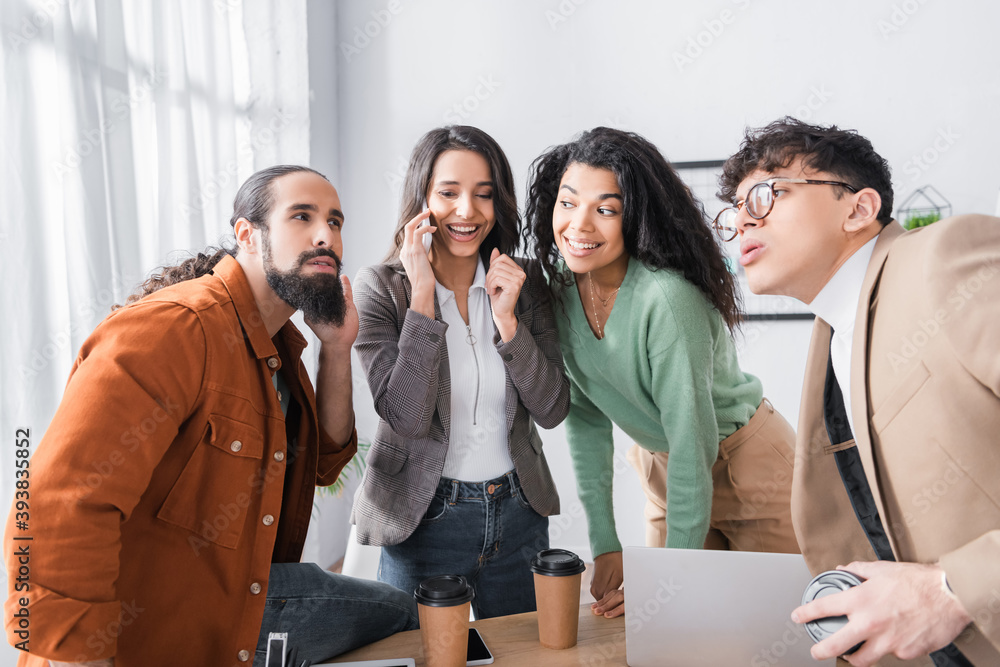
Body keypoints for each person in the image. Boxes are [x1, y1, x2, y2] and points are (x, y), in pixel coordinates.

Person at [3, 165, 418, 667]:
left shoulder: (279, 345)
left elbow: (325, 462)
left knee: (415, 616)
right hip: (140, 632)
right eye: (302, 216)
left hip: (233, 605)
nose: (325, 236)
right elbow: (57, 503)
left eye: (335, 221)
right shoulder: (175, 329)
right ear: (247, 234)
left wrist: (336, 347)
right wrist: (78, 657)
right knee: (411, 617)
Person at [716, 117, 1000, 666]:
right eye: (732, 215)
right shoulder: (833, 331)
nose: (742, 223)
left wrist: (953, 589)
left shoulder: (944, 258)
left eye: (764, 195)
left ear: (858, 208)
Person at [524, 126, 799, 620]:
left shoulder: (668, 300)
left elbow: (693, 438)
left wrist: (677, 572)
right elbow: (585, 418)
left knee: (772, 633)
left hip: (751, 467)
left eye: (606, 209)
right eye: (568, 203)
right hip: (667, 470)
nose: (579, 225)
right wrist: (605, 542)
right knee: (664, 633)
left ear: (635, 218)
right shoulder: (560, 291)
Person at [352, 125, 569, 619]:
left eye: (484, 195)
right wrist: (424, 296)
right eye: (448, 193)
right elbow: (406, 417)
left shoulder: (525, 282)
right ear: (422, 200)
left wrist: (508, 321)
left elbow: (553, 409)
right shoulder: (381, 289)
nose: (467, 211)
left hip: (517, 514)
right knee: (424, 656)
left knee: (521, 656)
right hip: (423, 518)